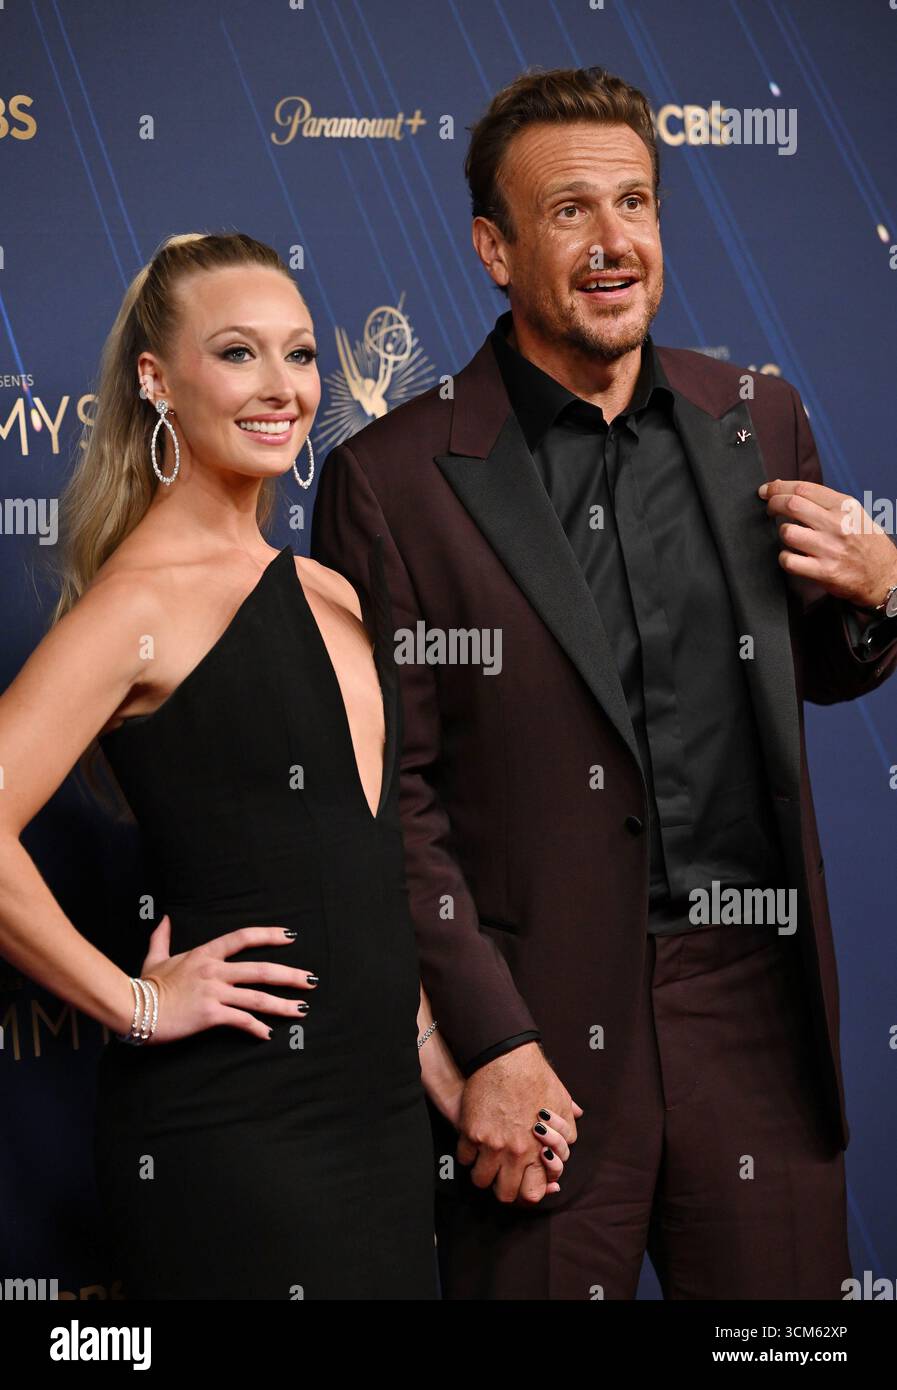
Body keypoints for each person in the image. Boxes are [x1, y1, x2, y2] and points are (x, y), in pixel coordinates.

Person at [310, 67, 897, 1299]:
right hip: (540, 1025)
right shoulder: (394, 479)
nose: (615, 241)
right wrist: (496, 1037)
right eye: (571, 211)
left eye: (637, 203)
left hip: (753, 1011)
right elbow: (390, 800)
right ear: (494, 247)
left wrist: (883, 589)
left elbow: (826, 670)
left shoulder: (757, 416)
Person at [0, 231, 570, 1300]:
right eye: (238, 354)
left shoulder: (332, 593)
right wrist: (133, 1002)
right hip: (232, 1134)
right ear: (156, 381)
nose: (282, 388)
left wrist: (435, 1057)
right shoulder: (141, 600)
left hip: (385, 1135)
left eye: (301, 355)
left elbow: (351, 868)